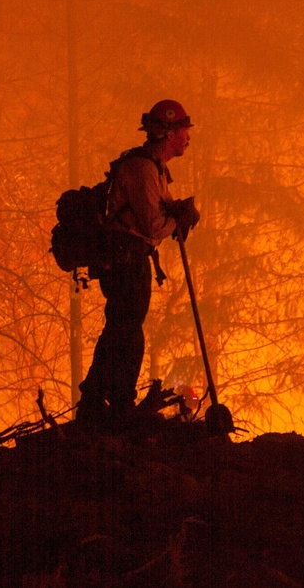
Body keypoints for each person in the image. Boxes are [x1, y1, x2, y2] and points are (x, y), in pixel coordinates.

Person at [77, 99, 201, 426]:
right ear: (168, 133)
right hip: (124, 258)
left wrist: (180, 213)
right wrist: (178, 220)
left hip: (132, 256)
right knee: (125, 330)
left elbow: (165, 212)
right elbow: (154, 225)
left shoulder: (155, 168)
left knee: (124, 328)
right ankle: (111, 403)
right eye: (184, 130)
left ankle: (105, 401)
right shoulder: (142, 169)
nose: (188, 136)